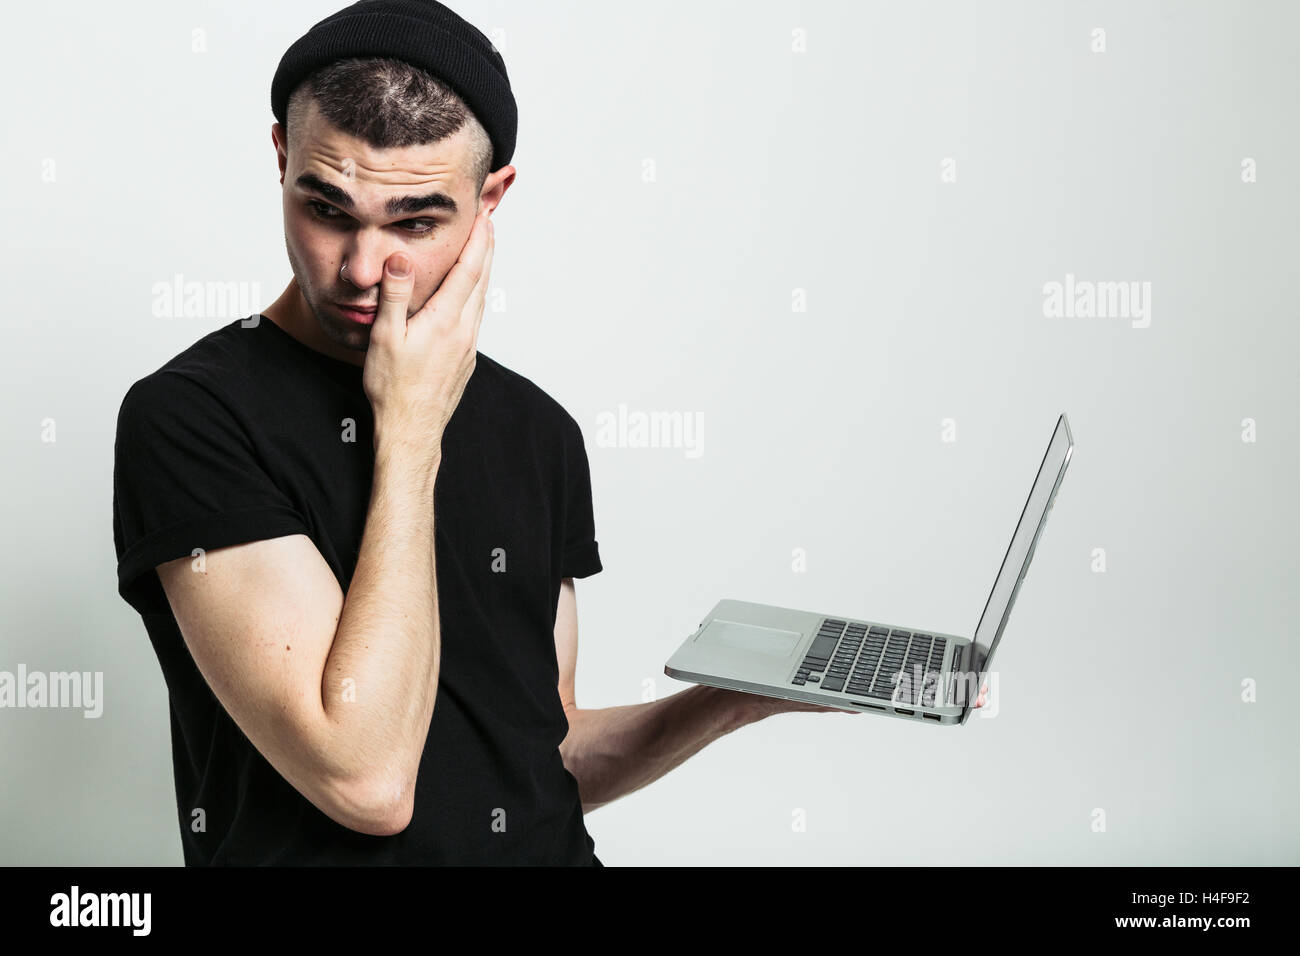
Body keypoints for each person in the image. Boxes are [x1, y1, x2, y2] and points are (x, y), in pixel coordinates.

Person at [112, 0, 987, 866]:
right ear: (281, 158)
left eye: (414, 221)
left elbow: (540, 753)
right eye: (329, 208)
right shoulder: (190, 419)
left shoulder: (538, 432)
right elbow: (367, 781)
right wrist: (409, 435)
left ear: (492, 198)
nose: (362, 268)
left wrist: (736, 701)